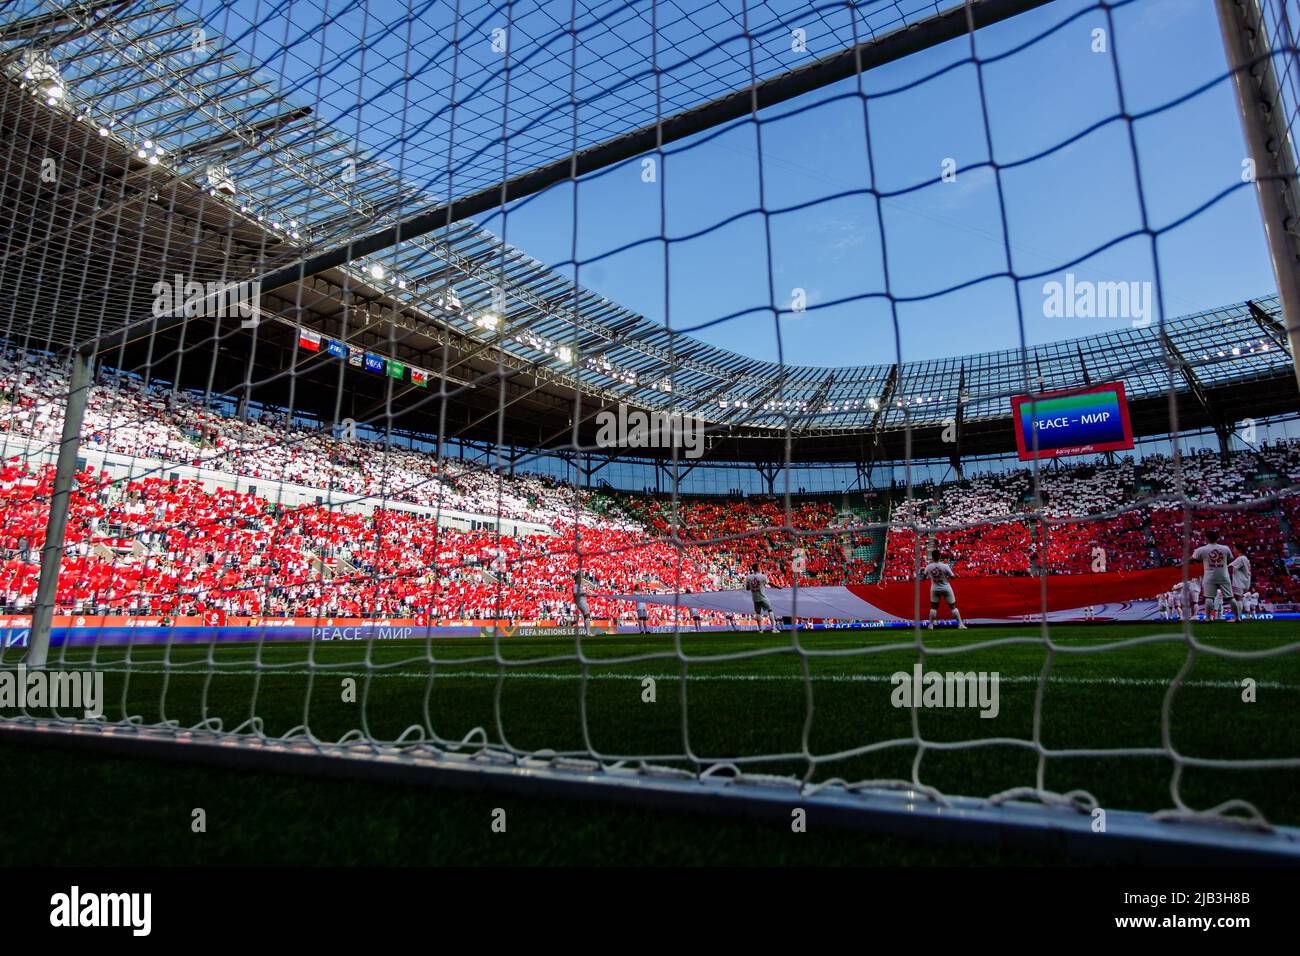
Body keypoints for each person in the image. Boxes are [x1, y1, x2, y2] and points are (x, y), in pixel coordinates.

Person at [1191, 529, 1237, 622]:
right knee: (1230, 597)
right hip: (1223, 575)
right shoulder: (1225, 548)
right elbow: (1231, 559)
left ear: (1206, 538)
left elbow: (1192, 559)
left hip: (1209, 576)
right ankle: (1237, 617)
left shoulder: (1202, 549)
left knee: (1209, 597)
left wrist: (1181, 564)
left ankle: (1208, 618)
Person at [921, 549, 966, 630]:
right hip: (946, 587)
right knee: (953, 606)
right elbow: (952, 577)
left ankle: (930, 625)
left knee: (933, 607)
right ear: (940, 556)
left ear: (932, 557)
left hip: (934, 588)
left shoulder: (928, 566)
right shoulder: (945, 566)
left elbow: (923, 578)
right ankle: (960, 624)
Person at [743, 563, 776, 633]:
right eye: (760, 567)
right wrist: (777, 587)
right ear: (758, 568)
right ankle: (773, 628)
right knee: (770, 610)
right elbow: (769, 583)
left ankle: (760, 629)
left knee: (758, 613)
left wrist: (753, 585)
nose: (760, 568)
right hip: (763, 597)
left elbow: (747, 588)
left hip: (755, 598)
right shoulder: (762, 576)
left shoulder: (748, 577)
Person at [1229, 545, 1251, 623]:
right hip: (1244, 580)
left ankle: (1237, 618)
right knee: (1239, 599)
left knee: (1238, 599)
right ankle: (1238, 617)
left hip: (1239, 580)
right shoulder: (1245, 558)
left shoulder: (1241, 558)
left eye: (1234, 548)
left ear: (1239, 549)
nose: (1233, 550)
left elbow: (1229, 566)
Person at [572, 570, 593, 637]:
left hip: (582, 601)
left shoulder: (579, 586)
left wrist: (592, 595)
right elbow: (575, 594)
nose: (580, 580)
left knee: (586, 616)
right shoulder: (575, 586)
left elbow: (583, 594)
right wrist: (584, 593)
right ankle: (588, 633)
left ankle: (588, 632)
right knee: (587, 615)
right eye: (579, 578)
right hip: (581, 602)